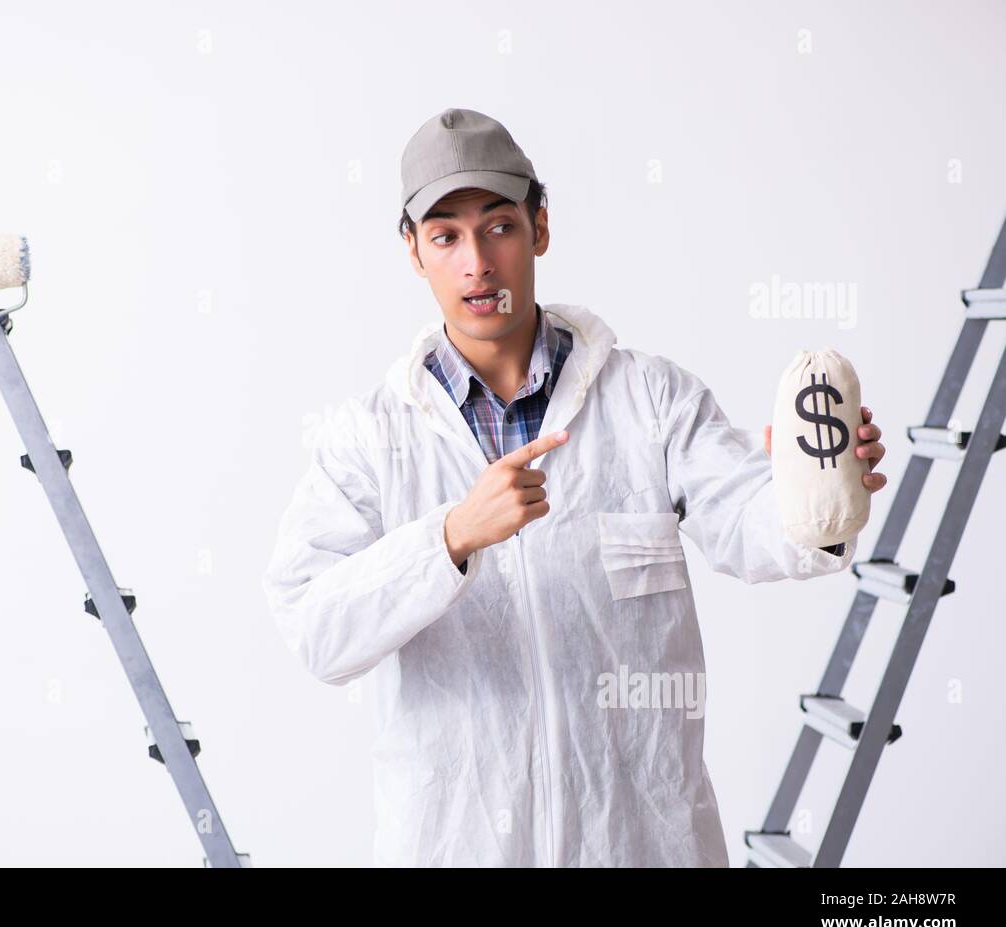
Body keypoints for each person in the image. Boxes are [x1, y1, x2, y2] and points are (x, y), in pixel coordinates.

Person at [260, 108, 889, 867]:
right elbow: (315, 628)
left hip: (642, 848)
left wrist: (811, 489)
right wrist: (450, 538)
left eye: (498, 226)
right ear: (413, 252)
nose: (477, 264)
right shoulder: (371, 439)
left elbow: (751, 525)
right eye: (446, 237)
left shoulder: (648, 399)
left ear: (540, 227)